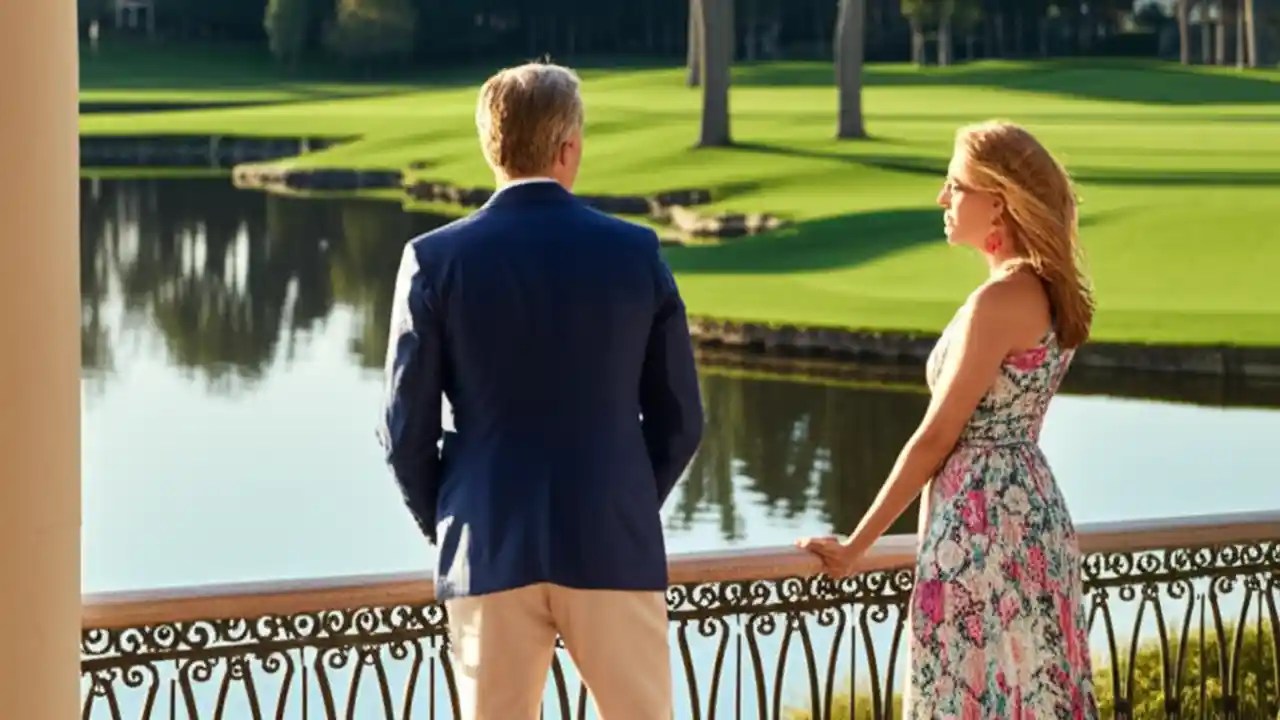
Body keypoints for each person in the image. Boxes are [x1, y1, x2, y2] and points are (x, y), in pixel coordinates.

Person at [377, 62, 703, 719]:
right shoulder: (635, 253)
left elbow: (403, 434)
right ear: (568, 148)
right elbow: (681, 421)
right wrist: (624, 501)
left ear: (490, 146)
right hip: (612, 542)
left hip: (487, 545)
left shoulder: (434, 259)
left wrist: (453, 518)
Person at [797, 120, 1099, 718]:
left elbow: (937, 437)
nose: (942, 197)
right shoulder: (1046, 291)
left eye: (955, 185)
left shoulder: (998, 303)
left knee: (970, 695)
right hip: (1031, 517)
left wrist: (858, 544)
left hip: (980, 530)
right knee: (1031, 690)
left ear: (998, 203)